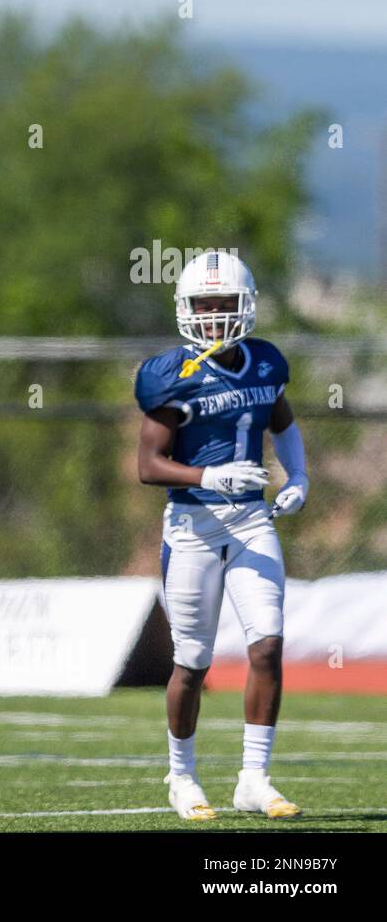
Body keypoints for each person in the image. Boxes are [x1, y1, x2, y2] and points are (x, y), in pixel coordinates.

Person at [135, 251, 307, 820]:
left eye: (224, 304)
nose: (213, 316)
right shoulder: (172, 374)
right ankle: (181, 777)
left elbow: (281, 422)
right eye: (203, 306)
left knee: (268, 644)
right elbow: (148, 464)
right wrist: (210, 474)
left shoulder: (264, 363)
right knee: (192, 662)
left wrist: (298, 473)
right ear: (185, 310)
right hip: (193, 526)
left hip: (252, 520)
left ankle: (254, 778)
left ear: (246, 306)